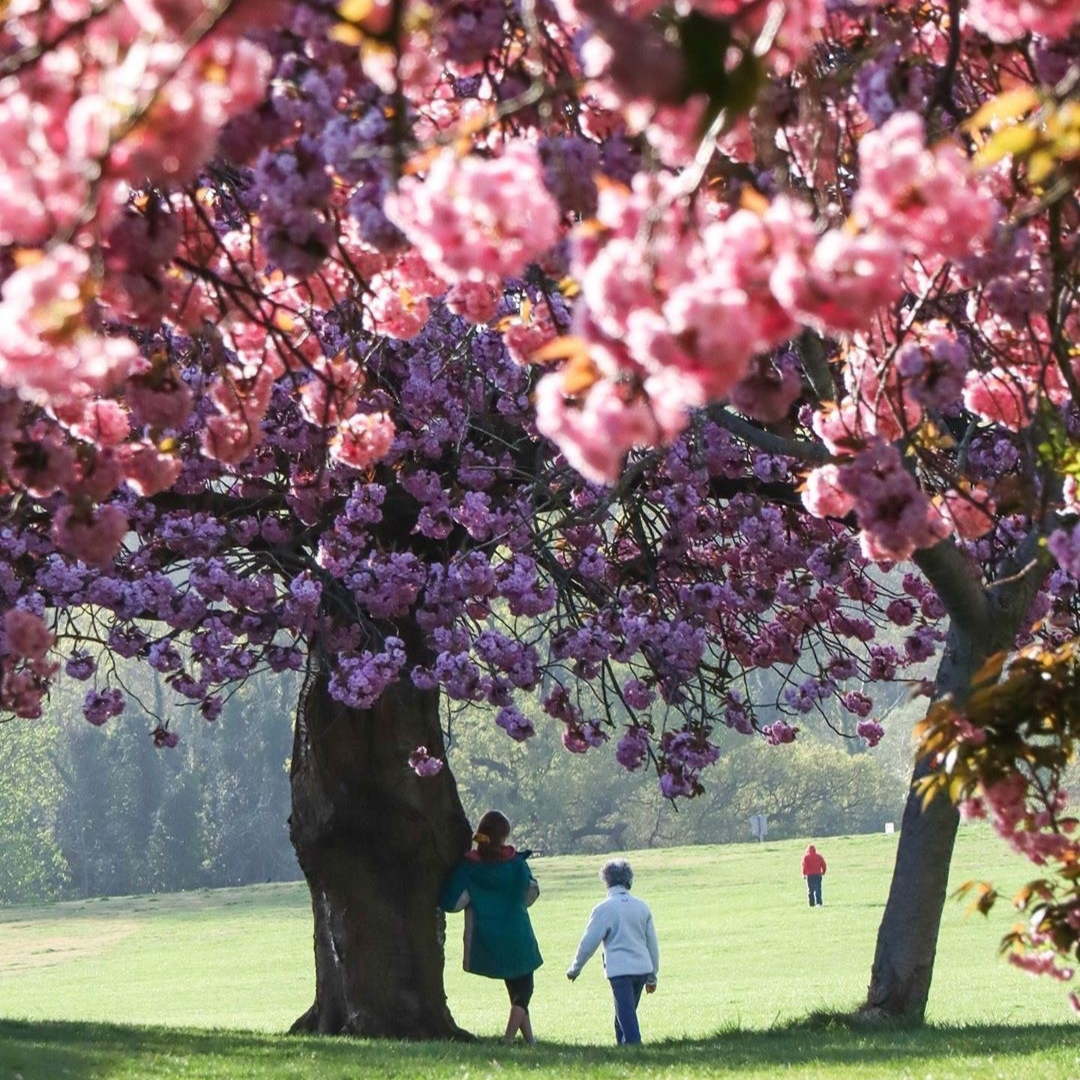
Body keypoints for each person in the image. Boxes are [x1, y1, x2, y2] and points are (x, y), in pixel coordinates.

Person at [440, 810, 543, 1045]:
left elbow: (452, 903)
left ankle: (530, 1041)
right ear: (504, 836)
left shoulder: (468, 866)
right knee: (524, 990)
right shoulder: (516, 864)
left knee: (516, 990)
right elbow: (529, 894)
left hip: (488, 938)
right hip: (517, 933)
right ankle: (508, 1039)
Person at [565, 858, 659, 1046]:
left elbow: (588, 943)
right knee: (625, 1013)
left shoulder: (604, 909)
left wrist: (575, 968)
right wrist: (652, 976)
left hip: (619, 971)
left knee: (625, 1015)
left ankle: (634, 1048)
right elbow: (652, 944)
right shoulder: (642, 907)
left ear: (606, 880)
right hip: (641, 969)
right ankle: (622, 1048)